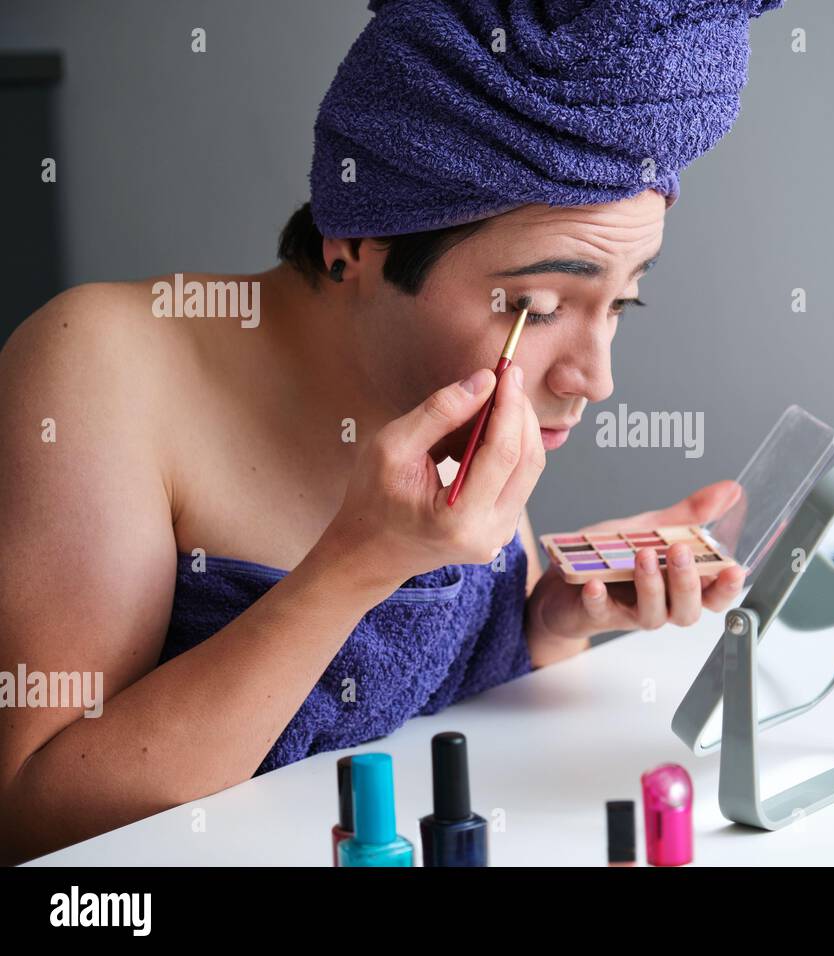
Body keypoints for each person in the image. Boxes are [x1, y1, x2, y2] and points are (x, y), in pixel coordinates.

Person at [0, 0, 781, 864]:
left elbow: (421, 702)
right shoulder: (100, 365)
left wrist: (548, 622)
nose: (594, 380)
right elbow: (34, 816)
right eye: (540, 307)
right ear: (359, 241)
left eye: (623, 302)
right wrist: (356, 567)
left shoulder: (456, 393)